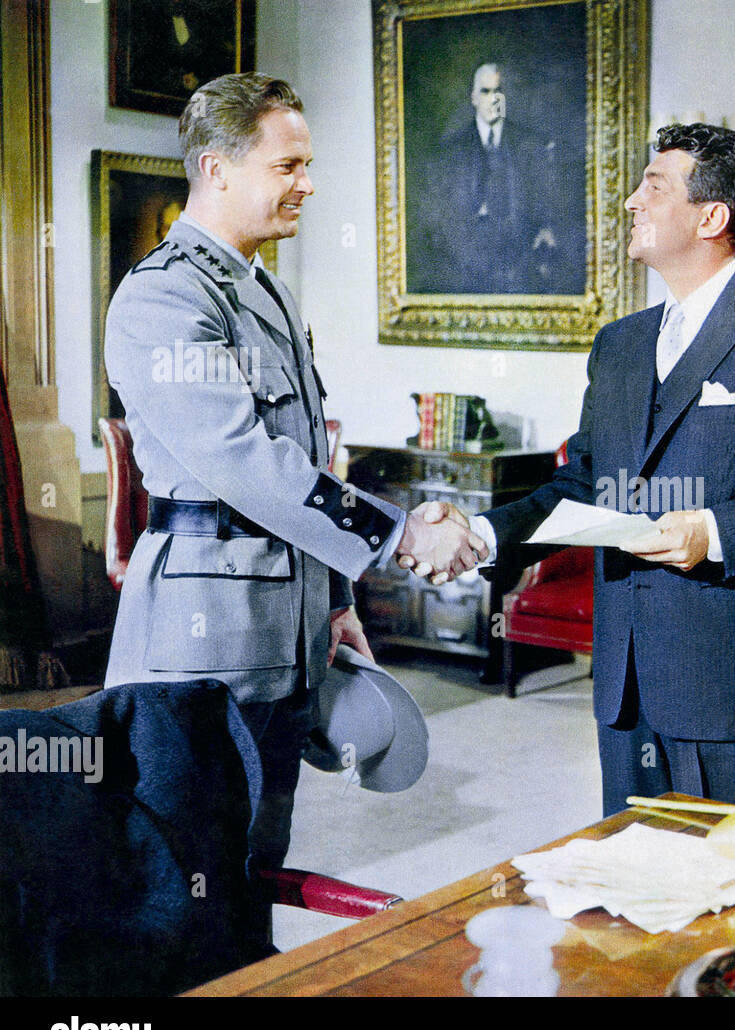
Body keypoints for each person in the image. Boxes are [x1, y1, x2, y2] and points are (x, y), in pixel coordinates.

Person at [102, 73, 484, 914]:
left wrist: (336, 598)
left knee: (256, 868)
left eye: (307, 165)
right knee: (190, 879)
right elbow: (244, 460)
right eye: (290, 165)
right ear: (217, 168)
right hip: (204, 644)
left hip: (286, 632)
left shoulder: (260, 285)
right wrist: (396, 537)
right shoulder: (165, 295)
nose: (308, 184)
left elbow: (306, 458)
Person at [457, 123, 735, 815]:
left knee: (719, 896)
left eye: (653, 186)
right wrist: (483, 533)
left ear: (712, 216)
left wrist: (713, 532)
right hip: (621, 679)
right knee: (627, 884)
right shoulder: (619, 345)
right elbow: (584, 484)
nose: (630, 201)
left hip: (723, 683)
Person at [408, 62, 583, 295]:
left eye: (498, 91)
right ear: (473, 98)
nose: (493, 99)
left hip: (519, 268)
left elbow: (547, 208)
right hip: (465, 271)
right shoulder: (451, 150)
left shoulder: (530, 144)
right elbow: (441, 219)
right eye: (485, 91)